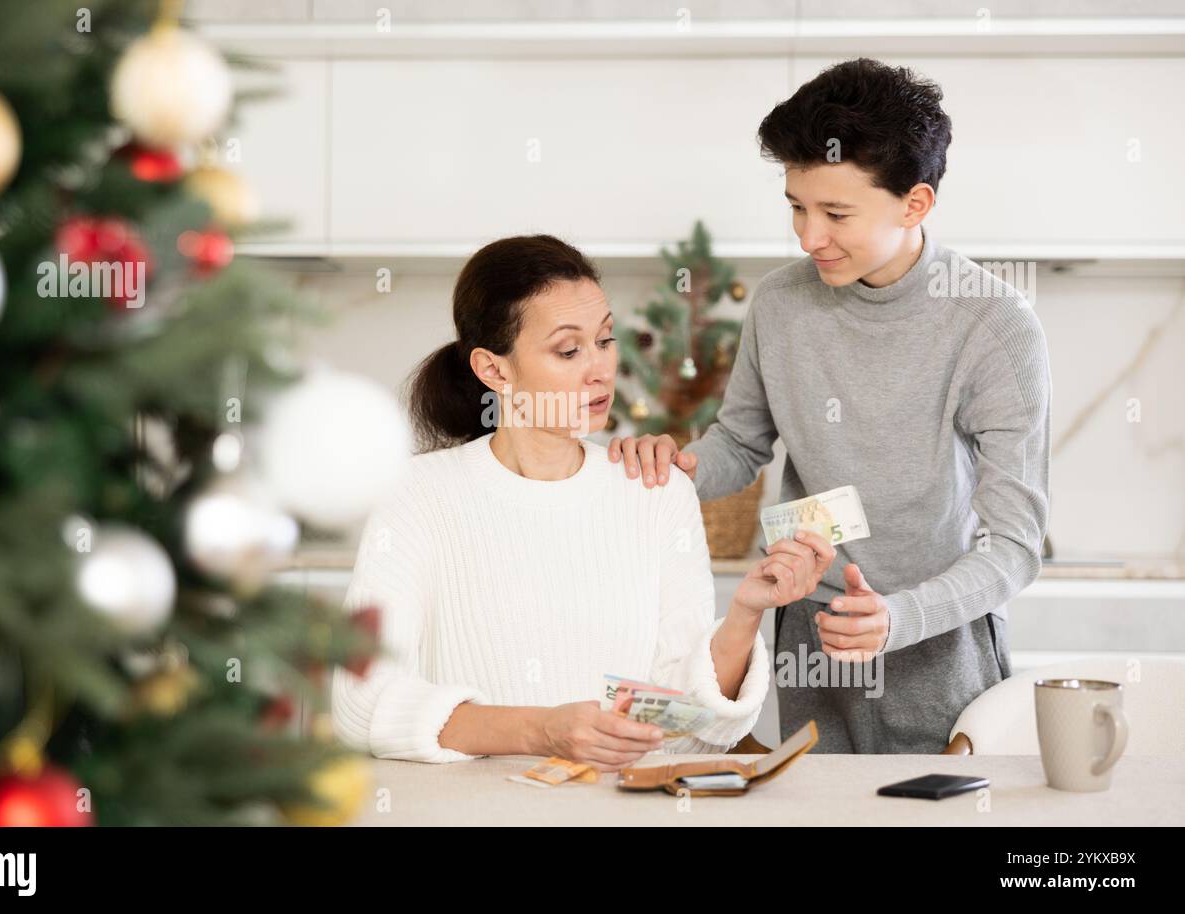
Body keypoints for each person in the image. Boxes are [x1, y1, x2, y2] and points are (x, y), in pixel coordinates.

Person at [610, 58, 1052, 753]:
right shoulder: (782, 304)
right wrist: (675, 466)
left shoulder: (994, 324)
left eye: (835, 213)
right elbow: (741, 443)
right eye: (796, 206)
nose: (808, 236)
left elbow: (1017, 544)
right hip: (807, 630)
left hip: (936, 636)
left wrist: (898, 618)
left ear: (916, 203)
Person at [331, 234, 834, 769]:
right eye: (569, 350)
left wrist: (745, 613)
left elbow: (688, 731)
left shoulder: (654, 491)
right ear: (494, 370)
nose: (600, 369)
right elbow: (360, 703)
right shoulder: (416, 494)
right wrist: (541, 731)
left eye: (606, 339)